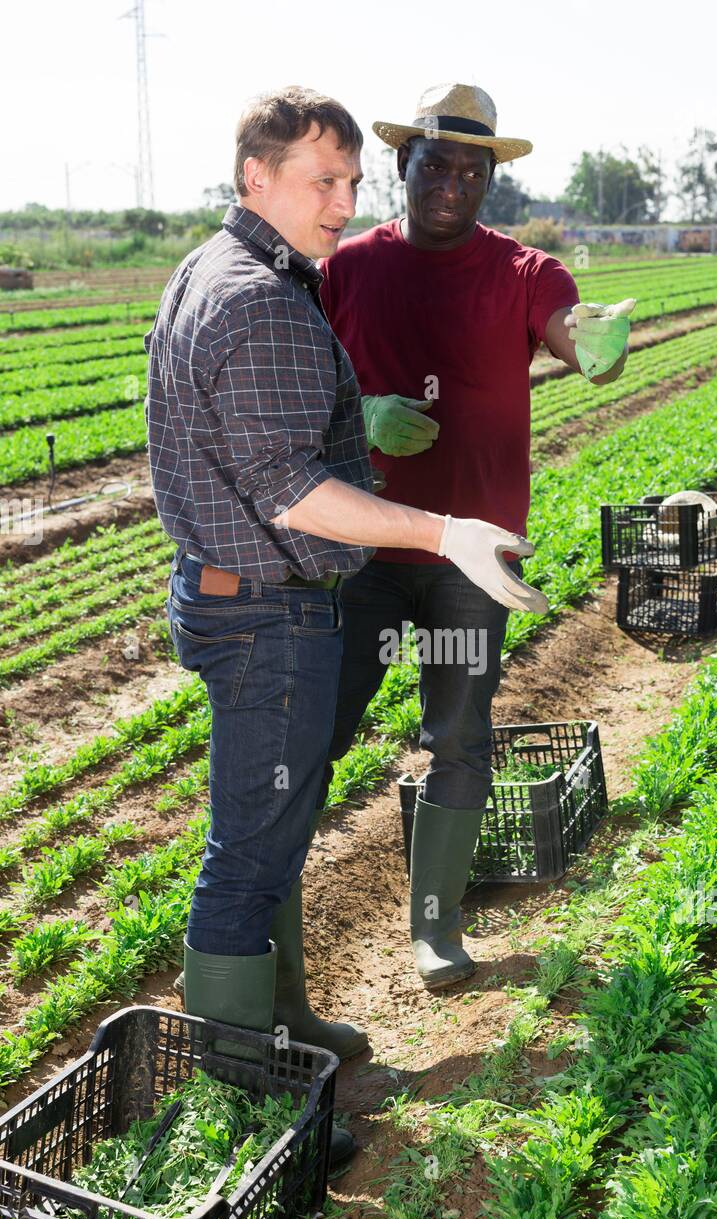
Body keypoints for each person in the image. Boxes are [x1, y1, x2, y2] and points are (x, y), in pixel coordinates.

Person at [145, 86, 548, 1161]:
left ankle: (295, 1019)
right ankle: (247, 1116)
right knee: (251, 857)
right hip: (278, 610)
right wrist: (442, 528)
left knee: (282, 823)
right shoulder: (269, 300)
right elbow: (291, 488)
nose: (343, 201)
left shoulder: (220, 271)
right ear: (256, 177)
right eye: (321, 179)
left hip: (249, 593)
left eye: (349, 181)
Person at [312, 83, 634, 990]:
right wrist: (362, 416)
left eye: (471, 169)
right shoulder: (346, 270)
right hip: (364, 552)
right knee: (319, 730)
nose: (452, 183)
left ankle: (435, 925)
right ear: (403, 164)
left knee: (457, 735)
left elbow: (569, 335)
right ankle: (269, 922)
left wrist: (595, 346)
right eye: (436, 164)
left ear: (490, 180)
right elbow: (298, 387)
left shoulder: (527, 273)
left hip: (472, 559)